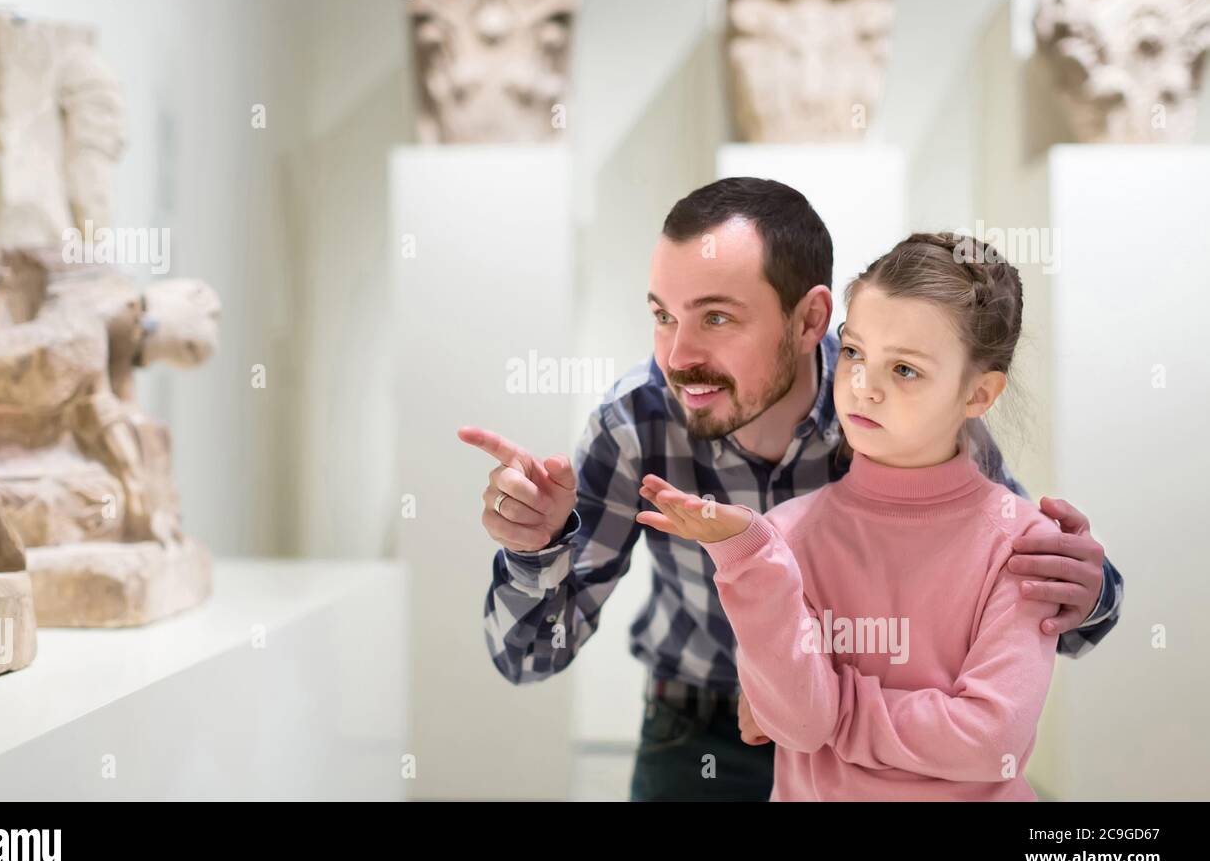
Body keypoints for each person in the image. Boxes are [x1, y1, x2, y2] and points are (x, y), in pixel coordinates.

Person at [459, 178, 1123, 801]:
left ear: (810, 320)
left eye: (716, 318)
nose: (677, 355)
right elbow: (527, 660)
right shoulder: (635, 421)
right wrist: (536, 548)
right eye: (664, 316)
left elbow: (1041, 603)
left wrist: (1093, 592)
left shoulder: (904, 408)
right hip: (697, 730)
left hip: (891, 753)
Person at [639, 231, 1059, 800]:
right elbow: (795, 724)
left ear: (979, 395)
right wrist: (745, 558)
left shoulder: (1024, 542)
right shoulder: (782, 538)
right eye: (855, 352)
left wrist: (833, 706)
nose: (863, 386)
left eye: (905, 370)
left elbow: (992, 739)